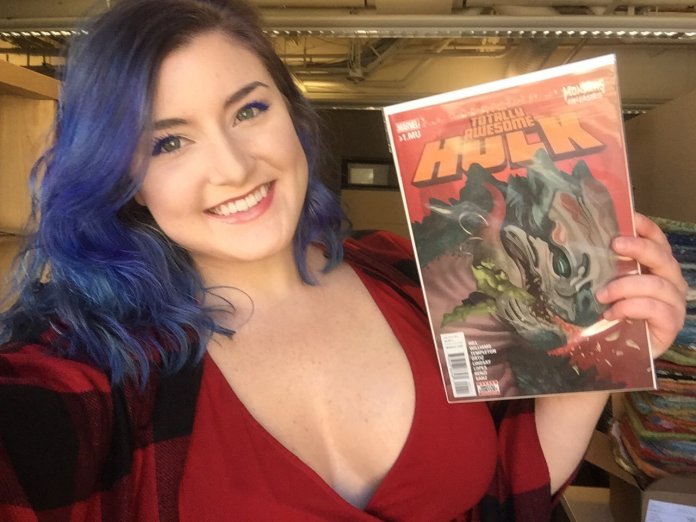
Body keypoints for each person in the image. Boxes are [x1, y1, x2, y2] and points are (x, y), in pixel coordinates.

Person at [0, 0, 686, 520]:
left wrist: (606, 346)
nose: (234, 168)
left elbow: (510, 488)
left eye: (248, 111)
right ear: (121, 176)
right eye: (167, 143)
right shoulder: (83, 360)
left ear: (292, 115)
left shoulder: (416, 277)